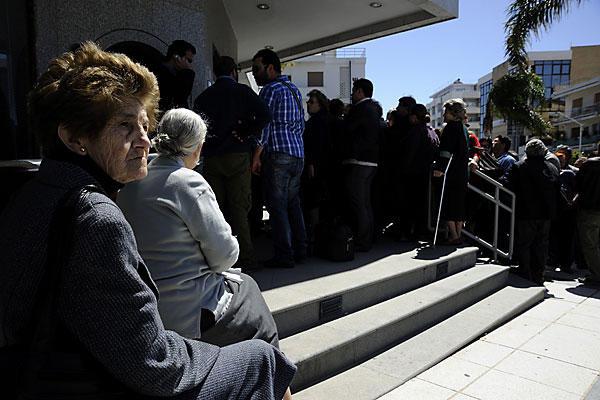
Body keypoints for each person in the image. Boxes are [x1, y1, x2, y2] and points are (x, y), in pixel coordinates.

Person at [0, 42, 295, 399]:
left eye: (144, 124)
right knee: (263, 358)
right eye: (125, 126)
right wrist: (219, 357)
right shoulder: (96, 217)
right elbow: (153, 365)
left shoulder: (33, 191)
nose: (144, 140)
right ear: (74, 138)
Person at [193, 55, 270, 269]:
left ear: (215, 73)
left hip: (213, 156)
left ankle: (217, 259)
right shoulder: (242, 92)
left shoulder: (203, 97)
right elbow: (265, 114)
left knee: (214, 211)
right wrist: (245, 131)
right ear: (234, 72)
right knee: (239, 209)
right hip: (237, 155)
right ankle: (247, 257)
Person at [251, 48, 307, 268]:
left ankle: (285, 255)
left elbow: (264, 125)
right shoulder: (293, 89)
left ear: (270, 68)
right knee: (293, 204)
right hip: (297, 153)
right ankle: (301, 250)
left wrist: (256, 155)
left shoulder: (269, 89)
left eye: (257, 68)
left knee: (277, 206)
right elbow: (301, 124)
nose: (255, 73)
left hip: (278, 154)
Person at [507, 139, 560, 285]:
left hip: (526, 212)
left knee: (525, 243)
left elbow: (509, 185)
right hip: (546, 213)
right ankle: (539, 273)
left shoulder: (519, 167)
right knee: (541, 244)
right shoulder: (552, 168)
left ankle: (525, 270)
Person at [341, 78, 380, 251]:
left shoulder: (360, 110)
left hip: (359, 160)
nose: (352, 94)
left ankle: (363, 240)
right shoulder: (374, 110)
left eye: (354, 90)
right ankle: (369, 238)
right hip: (372, 161)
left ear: (360, 91)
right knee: (365, 202)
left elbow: (347, 131)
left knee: (358, 202)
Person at [433, 99, 469, 244]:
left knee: (447, 203)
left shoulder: (450, 128)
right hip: (462, 171)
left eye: (446, 112)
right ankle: (458, 234)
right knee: (459, 204)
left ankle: (453, 235)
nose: (443, 114)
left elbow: (446, 151)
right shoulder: (463, 128)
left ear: (452, 113)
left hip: (450, 172)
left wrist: (440, 168)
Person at [574, 156, 600, 287]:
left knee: (590, 244)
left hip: (590, 209)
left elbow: (577, 185)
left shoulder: (589, 165)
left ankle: (596, 275)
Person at [156, 40, 196, 111]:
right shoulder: (160, 74)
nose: (189, 65)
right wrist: (188, 73)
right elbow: (180, 99)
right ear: (177, 57)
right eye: (188, 60)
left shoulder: (177, 74)